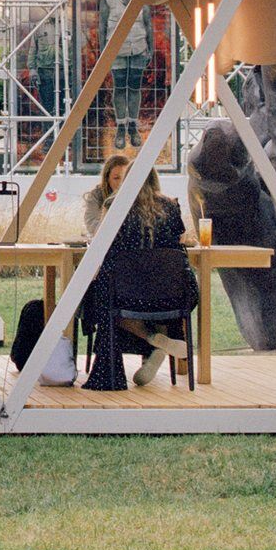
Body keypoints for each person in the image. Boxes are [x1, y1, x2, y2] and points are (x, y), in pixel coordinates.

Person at [81, 148, 193, 389]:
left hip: (126, 293)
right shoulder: (171, 207)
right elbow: (180, 240)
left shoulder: (114, 205)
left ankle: (153, 339)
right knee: (156, 295)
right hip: (169, 295)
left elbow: (102, 242)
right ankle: (159, 343)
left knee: (102, 299)